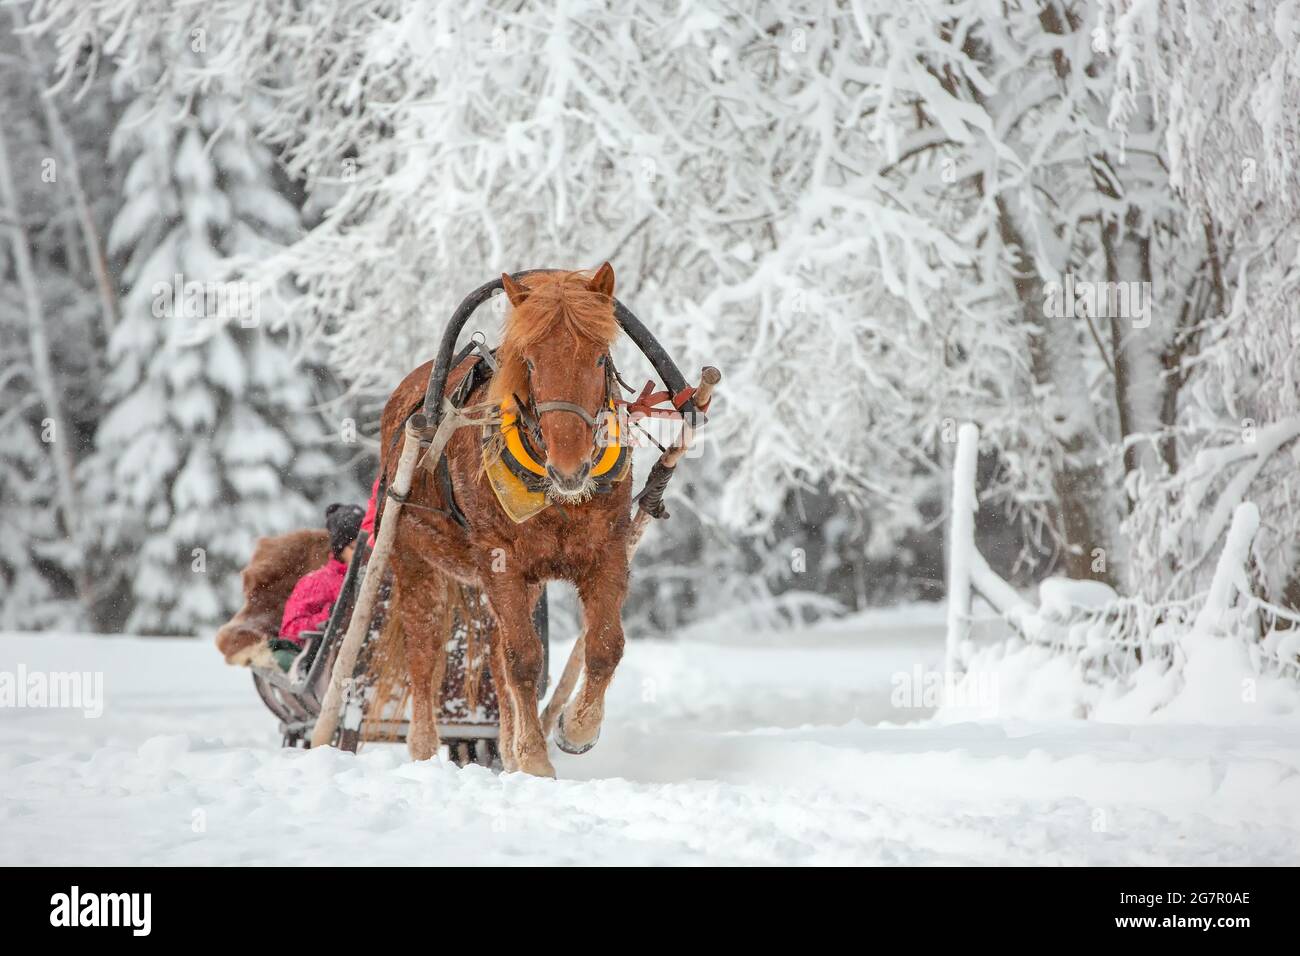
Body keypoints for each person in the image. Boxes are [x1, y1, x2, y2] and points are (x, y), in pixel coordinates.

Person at [271, 503, 365, 671]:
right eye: (354, 547)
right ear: (340, 549)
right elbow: (291, 630)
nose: (362, 553)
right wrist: (328, 617)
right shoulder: (317, 582)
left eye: (366, 547)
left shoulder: (378, 581)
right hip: (328, 668)